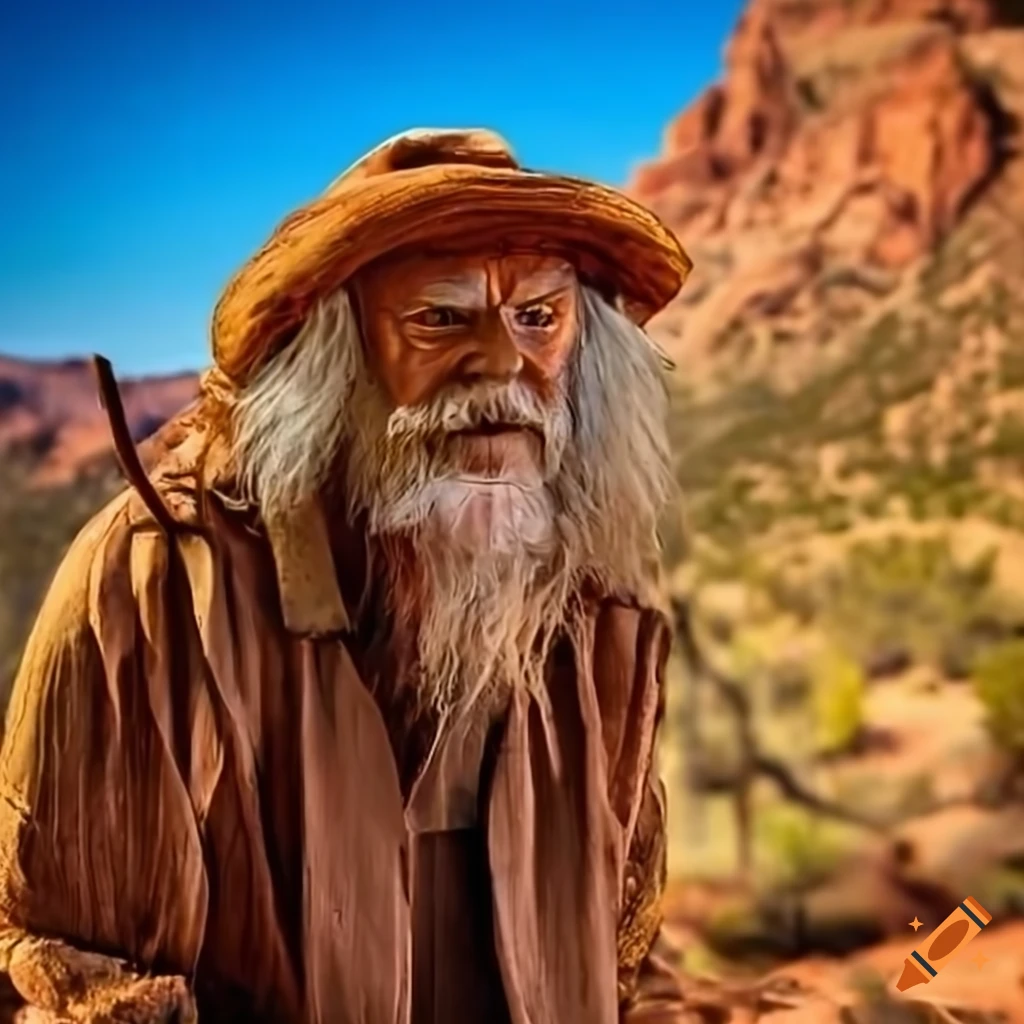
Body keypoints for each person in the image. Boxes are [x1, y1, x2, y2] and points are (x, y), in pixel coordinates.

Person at [0, 128, 696, 1023]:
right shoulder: (157, 587)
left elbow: (622, 924)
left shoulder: (597, 595)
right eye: (439, 319)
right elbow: (71, 971)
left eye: (538, 318)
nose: (501, 362)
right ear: (336, 352)